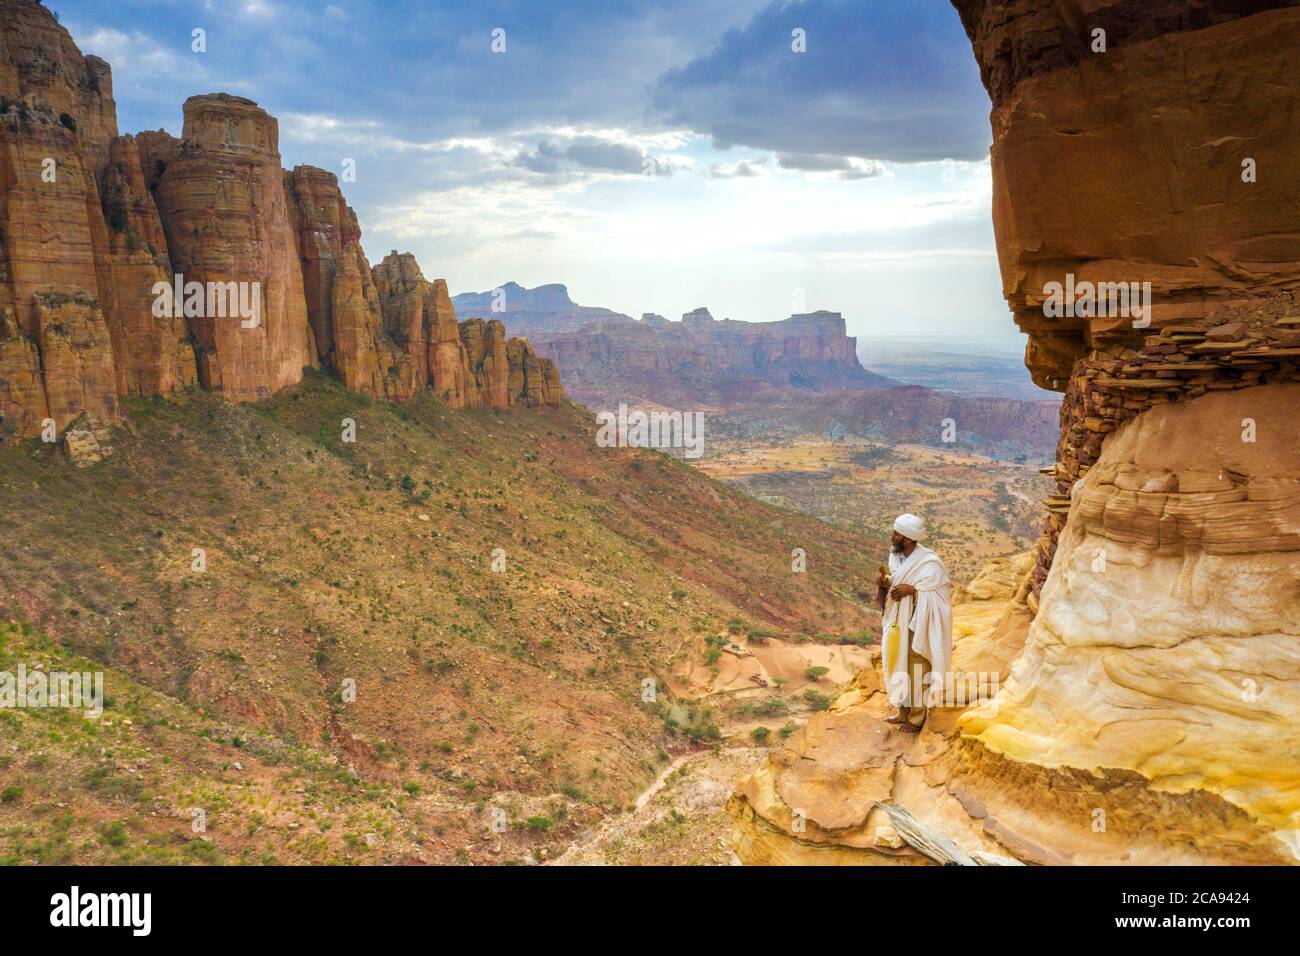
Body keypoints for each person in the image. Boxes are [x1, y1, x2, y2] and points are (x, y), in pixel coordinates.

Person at [873, 514, 953, 733]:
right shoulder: (897, 557)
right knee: (898, 664)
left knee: (917, 670)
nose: (893, 536)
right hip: (899, 621)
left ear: (908, 538)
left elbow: (940, 595)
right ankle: (903, 711)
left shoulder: (930, 562)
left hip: (919, 625)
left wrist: (912, 590)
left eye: (896, 534)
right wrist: (886, 584)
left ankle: (917, 719)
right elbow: (897, 579)